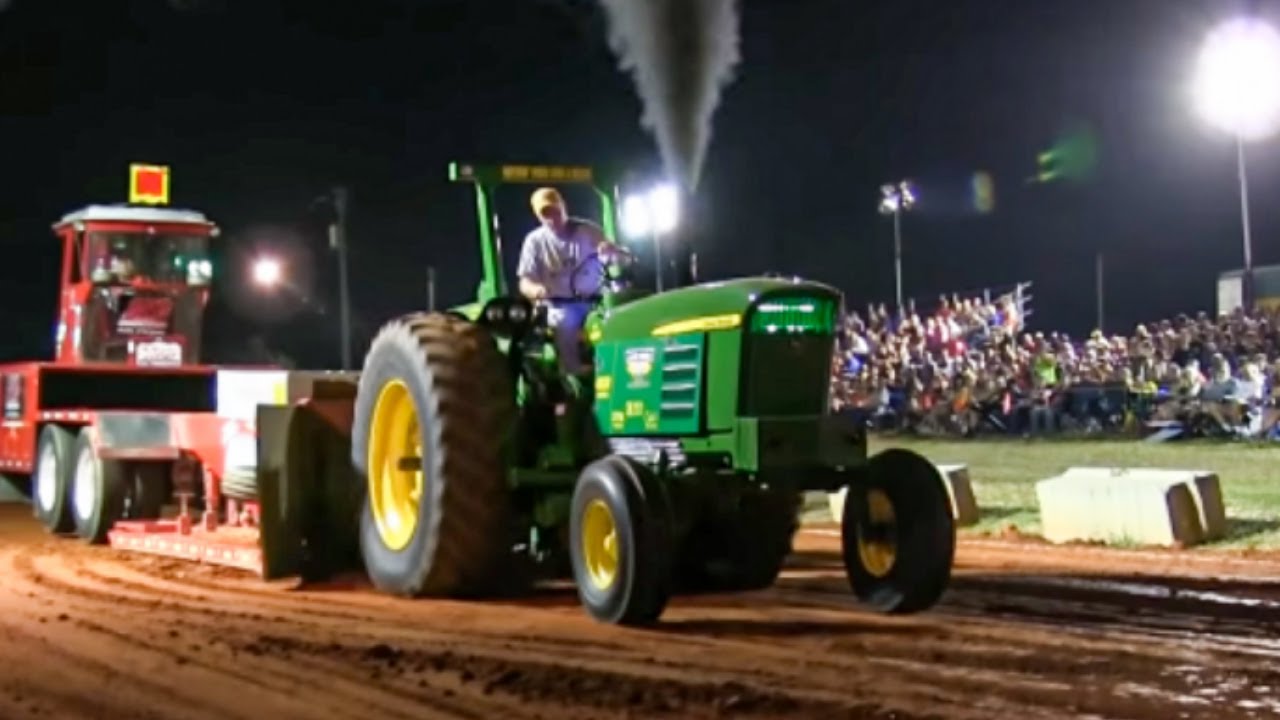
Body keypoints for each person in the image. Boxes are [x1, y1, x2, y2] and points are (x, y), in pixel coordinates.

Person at [516, 187, 630, 372]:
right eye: (546, 213)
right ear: (538, 216)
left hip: (596, 301)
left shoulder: (588, 231)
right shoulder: (534, 242)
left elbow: (619, 258)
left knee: (618, 319)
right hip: (561, 304)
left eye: (555, 210)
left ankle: (618, 366)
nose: (553, 217)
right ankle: (573, 372)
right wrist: (536, 290)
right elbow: (525, 281)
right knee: (564, 323)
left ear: (564, 207)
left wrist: (611, 252)